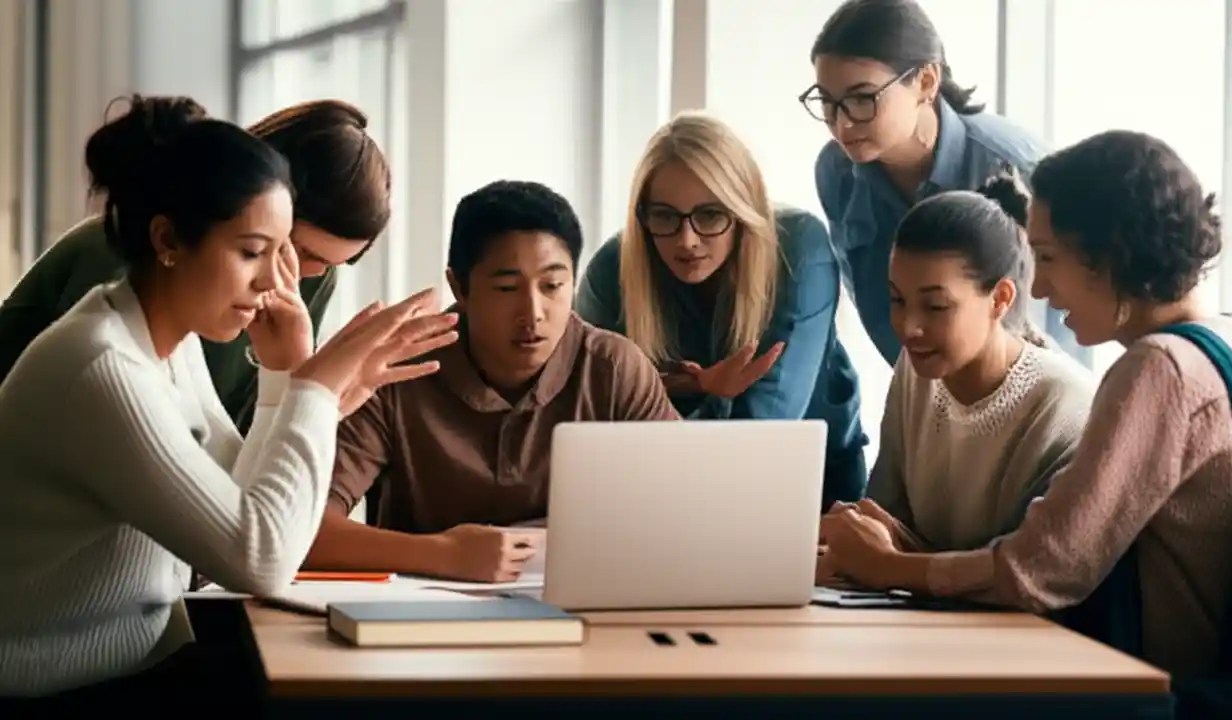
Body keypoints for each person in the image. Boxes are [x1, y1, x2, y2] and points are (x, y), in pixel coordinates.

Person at [0, 99, 455, 699]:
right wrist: (314, 390)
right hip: (60, 682)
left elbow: (238, 502)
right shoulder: (101, 366)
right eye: (252, 252)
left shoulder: (166, 342)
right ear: (167, 240)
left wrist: (287, 376)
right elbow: (258, 559)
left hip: (138, 656)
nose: (276, 282)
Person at [817, 130, 1232, 678]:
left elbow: (1043, 569)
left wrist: (888, 565)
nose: (1039, 292)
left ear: (1107, 255)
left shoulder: (1162, 370)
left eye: (1048, 258)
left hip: (1170, 695)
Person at [304, 180, 679, 583]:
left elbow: (686, 511)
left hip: (580, 609)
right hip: (421, 619)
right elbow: (301, 533)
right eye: (505, 287)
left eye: (553, 286)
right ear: (459, 288)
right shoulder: (397, 369)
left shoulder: (614, 369)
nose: (533, 312)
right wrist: (445, 554)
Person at [0, 95, 391, 433]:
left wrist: (311, 389)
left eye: (337, 262)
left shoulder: (311, 278)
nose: (308, 273)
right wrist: (313, 402)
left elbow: (242, 454)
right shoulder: (120, 271)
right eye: (300, 252)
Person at [576, 112, 869, 507]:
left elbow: (763, 433)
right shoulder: (613, 268)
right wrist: (699, 386)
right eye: (664, 215)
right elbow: (592, 422)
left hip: (806, 499)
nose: (687, 240)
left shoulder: (799, 251)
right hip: (651, 499)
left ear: (743, 209)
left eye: (710, 215)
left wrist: (663, 395)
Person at [801, 0, 1081, 366]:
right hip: (923, 387)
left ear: (926, 81)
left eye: (862, 98)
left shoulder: (1014, 166)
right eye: (827, 102)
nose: (842, 123)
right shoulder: (836, 171)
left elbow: (1070, 316)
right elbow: (880, 311)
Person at [858, 171, 1094, 553]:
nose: (909, 328)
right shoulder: (916, 368)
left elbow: (1019, 576)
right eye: (897, 300)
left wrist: (894, 553)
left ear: (1000, 299)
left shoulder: (1063, 405)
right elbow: (884, 515)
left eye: (936, 306)